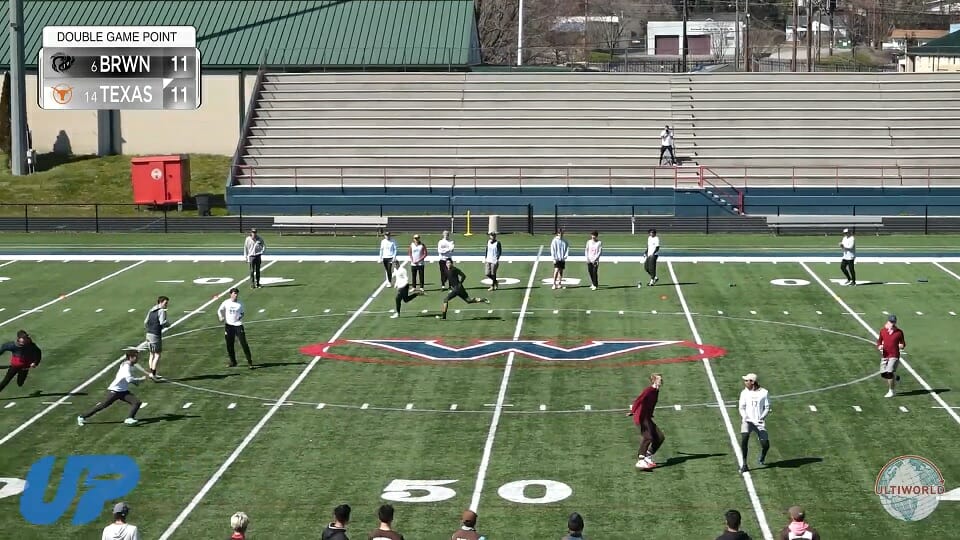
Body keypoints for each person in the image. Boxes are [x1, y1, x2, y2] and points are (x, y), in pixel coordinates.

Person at [78, 348, 145, 426]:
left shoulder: (127, 364)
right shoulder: (126, 366)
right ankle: (82, 417)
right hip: (115, 391)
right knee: (103, 405)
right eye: (136, 357)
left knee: (137, 402)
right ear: (131, 357)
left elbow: (125, 378)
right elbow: (129, 379)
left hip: (123, 391)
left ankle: (129, 419)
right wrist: (140, 380)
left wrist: (136, 382)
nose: (138, 359)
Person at [628, 373, 665, 470]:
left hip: (647, 417)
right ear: (654, 380)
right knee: (648, 437)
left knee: (660, 437)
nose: (661, 381)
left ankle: (648, 456)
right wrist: (632, 411)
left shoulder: (656, 391)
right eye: (659, 379)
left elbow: (652, 404)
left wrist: (651, 413)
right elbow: (639, 400)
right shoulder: (649, 390)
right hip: (640, 417)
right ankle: (640, 460)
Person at [738, 373, 771, 473]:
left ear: (752, 382)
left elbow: (767, 407)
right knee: (744, 438)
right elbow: (741, 407)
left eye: (746, 380)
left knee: (765, 444)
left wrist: (762, 417)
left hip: (759, 422)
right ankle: (744, 464)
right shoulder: (744, 393)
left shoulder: (764, 393)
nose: (745, 382)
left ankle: (763, 455)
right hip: (748, 421)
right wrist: (745, 417)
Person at [218, 288, 254, 368]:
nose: (235, 295)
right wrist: (221, 317)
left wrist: (239, 317)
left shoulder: (240, 304)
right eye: (234, 293)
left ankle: (250, 362)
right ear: (230, 294)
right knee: (229, 344)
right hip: (229, 326)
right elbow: (219, 310)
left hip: (238, 325)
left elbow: (242, 313)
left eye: (237, 294)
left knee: (243, 343)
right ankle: (233, 362)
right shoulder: (226, 302)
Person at [0, 330, 42, 395]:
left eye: (26, 338)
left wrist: (35, 363)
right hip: (14, 367)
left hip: (24, 367)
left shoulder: (31, 346)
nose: (25, 340)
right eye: (24, 338)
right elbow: (4, 347)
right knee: (6, 380)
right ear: (19, 339)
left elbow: (38, 353)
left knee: (20, 383)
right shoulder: (13, 345)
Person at [877, 314, 905, 397]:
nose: (892, 323)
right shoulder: (883, 331)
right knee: (883, 374)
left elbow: (903, 343)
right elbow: (879, 341)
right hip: (885, 355)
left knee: (889, 372)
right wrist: (879, 346)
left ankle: (891, 391)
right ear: (888, 321)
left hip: (894, 355)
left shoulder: (899, 332)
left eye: (894, 322)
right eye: (891, 322)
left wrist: (901, 346)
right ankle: (895, 377)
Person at [143, 296, 170, 380]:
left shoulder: (151, 310)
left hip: (148, 334)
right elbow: (162, 322)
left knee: (151, 354)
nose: (166, 305)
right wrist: (168, 324)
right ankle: (153, 374)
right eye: (165, 303)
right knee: (157, 354)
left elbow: (145, 322)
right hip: (155, 335)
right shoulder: (161, 311)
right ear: (160, 302)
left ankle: (152, 372)